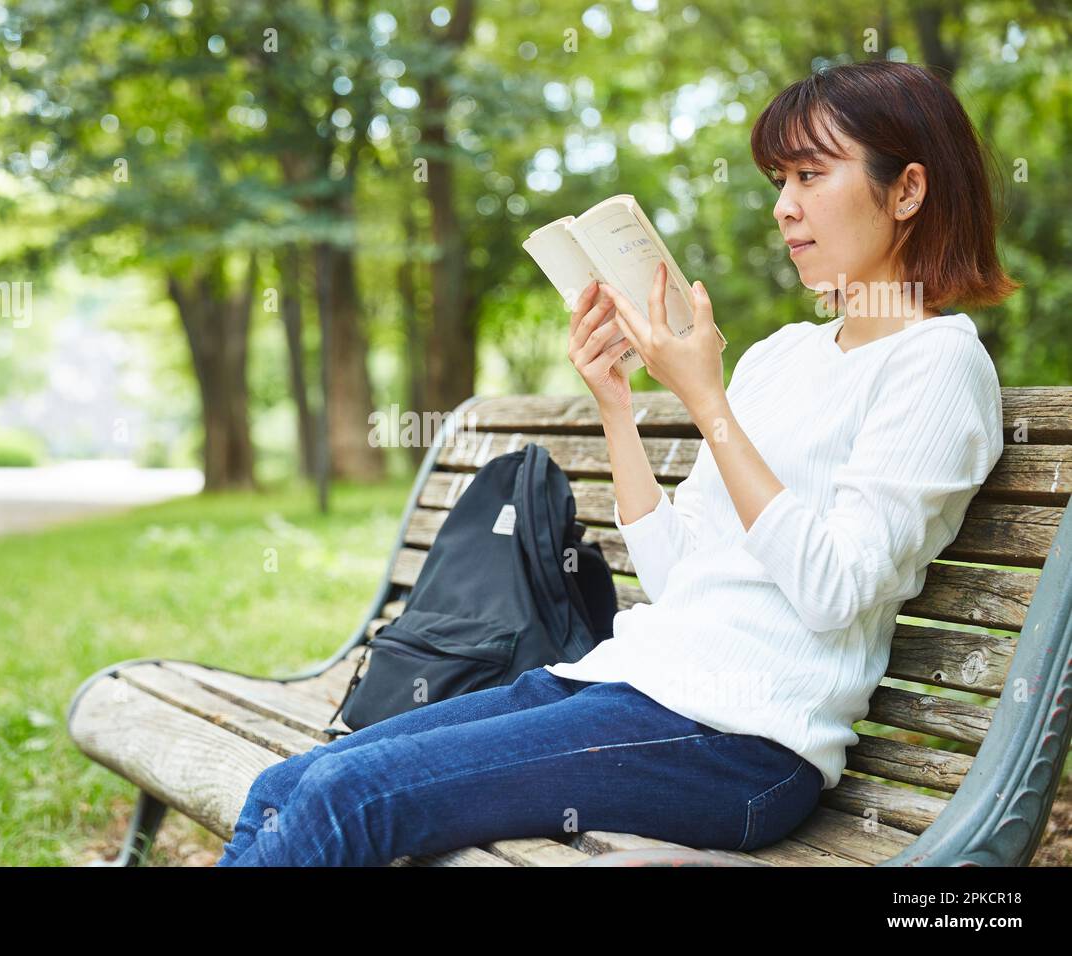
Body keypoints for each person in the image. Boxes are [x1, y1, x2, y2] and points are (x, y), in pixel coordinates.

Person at [215, 60, 1015, 868]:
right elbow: (676, 579)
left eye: (812, 174)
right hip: (624, 685)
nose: (784, 207)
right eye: (780, 179)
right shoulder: (780, 357)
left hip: (739, 743)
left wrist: (708, 403)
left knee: (344, 800)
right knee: (288, 785)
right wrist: (615, 403)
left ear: (907, 190)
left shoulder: (938, 365)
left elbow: (835, 590)